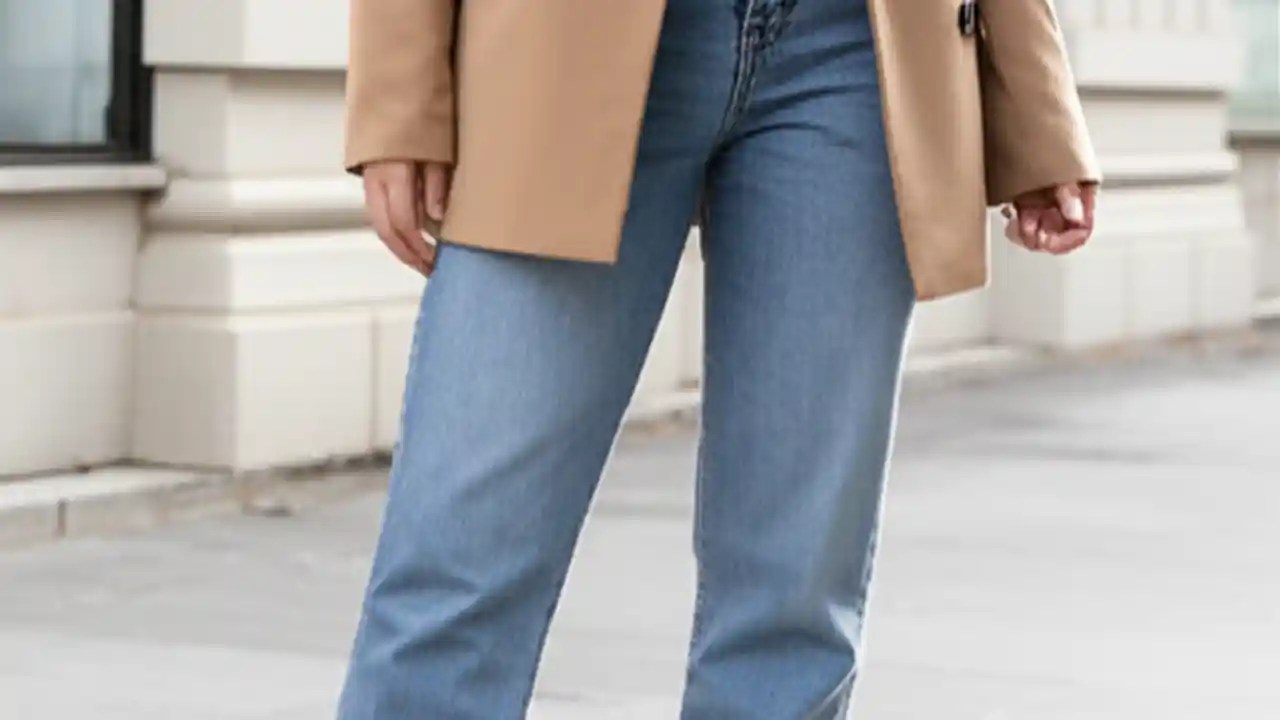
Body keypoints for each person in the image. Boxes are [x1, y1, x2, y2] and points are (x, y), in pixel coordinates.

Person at [337, 0, 1100, 717]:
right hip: (562, 42)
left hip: (855, 57)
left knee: (793, 604)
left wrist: (1034, 101)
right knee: (461, 559)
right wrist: (400, 84)